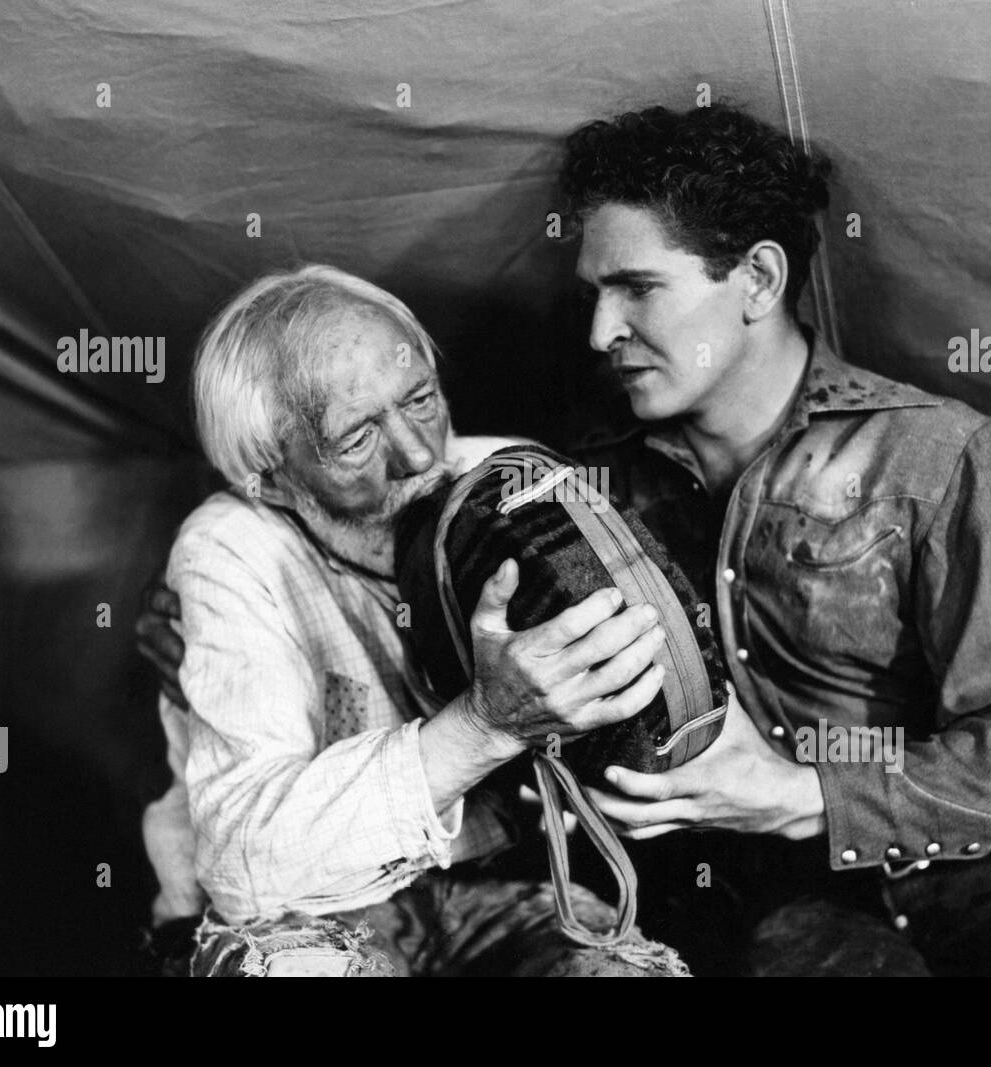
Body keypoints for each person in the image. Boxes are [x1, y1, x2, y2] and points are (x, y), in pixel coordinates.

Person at [141, 104, 991, 976]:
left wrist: (804, 792)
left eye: (638, 288)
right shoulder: (572, 490)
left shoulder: (943, 455)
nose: (600, 331)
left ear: (759, 282)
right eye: (594, 294)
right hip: (762, 896)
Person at [139, 263, 689, 976]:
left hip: (499, 886)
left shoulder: (508, 480)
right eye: (356, 439)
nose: (422, 456)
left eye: (421, 398)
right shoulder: (229, 547)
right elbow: (248, 865)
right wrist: (485, 725)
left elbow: (652, 729)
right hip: (303, 913)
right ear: (272, 480)